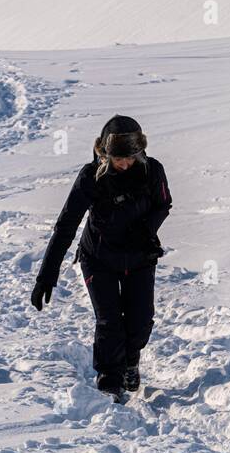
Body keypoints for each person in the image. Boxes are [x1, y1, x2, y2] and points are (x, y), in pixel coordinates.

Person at [30, 115, 172, 401]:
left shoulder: (153, 170)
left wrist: (145, 230)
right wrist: (47, 274)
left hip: (139, 256)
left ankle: (131, 361)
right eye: (117, 158)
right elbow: (66, 225)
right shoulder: (91, 176)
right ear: (105, 154)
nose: (123, 164)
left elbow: (163, 204)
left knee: (141, 321)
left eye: (129, 158)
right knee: (109, 322)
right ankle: (109, 380)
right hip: (99, 257)